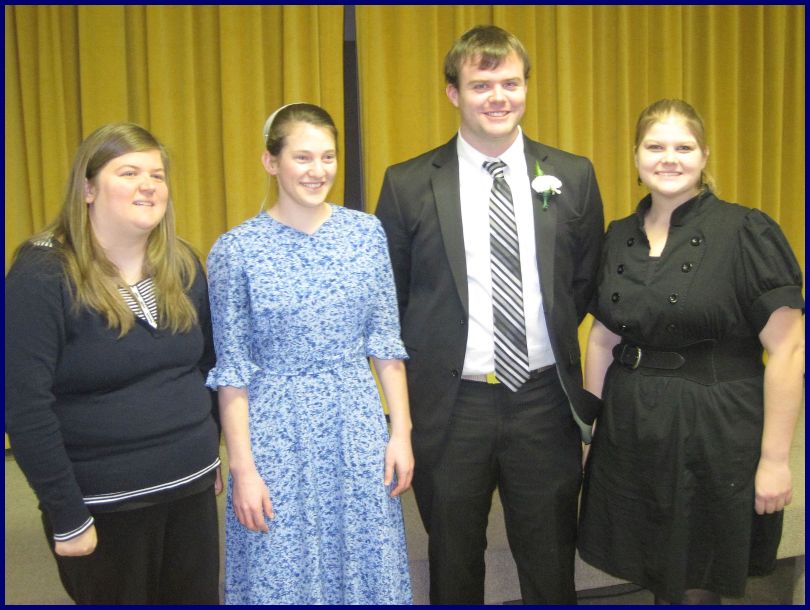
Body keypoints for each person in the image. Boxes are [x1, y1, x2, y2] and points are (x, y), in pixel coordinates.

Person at [375, 25, 605, 604]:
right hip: (452, 407)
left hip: (543, 401)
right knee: (452, 563)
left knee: (552, 561)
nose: (498, 96)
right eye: (481, 84)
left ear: (526, 87)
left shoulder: (572, 175)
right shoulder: (406, 185)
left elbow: (583, 281)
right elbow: (391, 300)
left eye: (510, 82)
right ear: (453, 92)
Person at [577, 99, 805, 604]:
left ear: (704, 156)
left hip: (716, 426)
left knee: (699, 576)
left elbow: (789, 349)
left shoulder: (745, 230)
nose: (669, 158)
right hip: (632, 424)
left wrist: (775, 461)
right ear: (635, 156)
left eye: (683, 147)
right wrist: (589, 433)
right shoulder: (618, 235)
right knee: (655, 568)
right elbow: (602, 336)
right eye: (655, 146)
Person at [4, 123, 222, 604]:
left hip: (189, 491)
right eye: (129, 172)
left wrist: (211, 452)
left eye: (157, 174)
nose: (148, 184)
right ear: (87, 188)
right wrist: (66, 514)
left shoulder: (181, 264)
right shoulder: (43, 275)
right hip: (104, 507)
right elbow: (25, 408)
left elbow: (207, 367)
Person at [206, 102, 414, 605]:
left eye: (327, 157)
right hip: (275, 427)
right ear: (270, 161)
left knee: (366, 556)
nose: (317, 171)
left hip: (355, 419)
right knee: (280, 561)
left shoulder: (366, 234)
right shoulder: (235, 251)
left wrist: (400, 433)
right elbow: (230, 371)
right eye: (302, 157)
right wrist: (242, 468)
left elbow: (386, 344)